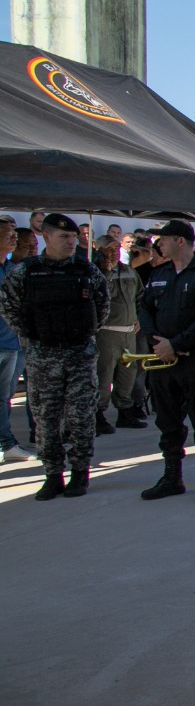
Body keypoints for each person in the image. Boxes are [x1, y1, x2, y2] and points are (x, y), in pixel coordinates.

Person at [0, 213, 110, 498]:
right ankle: (52, 474)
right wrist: (35, 334)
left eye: (73, 237)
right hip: (43, 355)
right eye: (64, 237)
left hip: (80, 354)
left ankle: (80, 473)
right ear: (46, 237)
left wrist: (80, 332)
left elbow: (102, 306)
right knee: (45, 418)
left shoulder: (86, 270)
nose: (71, 242)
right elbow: (9, 307)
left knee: (81, 416)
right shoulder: (26, 272)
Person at [136, 220, 195, 503]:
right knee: (167, 420)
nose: (158, 244)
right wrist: (157, 343)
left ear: (180, 241)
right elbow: (145, 309)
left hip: (193, 358)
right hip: (163, 359)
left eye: (163, 239)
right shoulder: (159, 273)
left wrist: (175, 344)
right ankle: (172, 477)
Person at [92, 235, 142, 434]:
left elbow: (140, 295)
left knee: (128, 373)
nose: (113, 253)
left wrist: (138, 317)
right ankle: (98, 413)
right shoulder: (95, 272)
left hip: (129, 332)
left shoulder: (129, 271)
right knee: (104, 374)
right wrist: (107, 271)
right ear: (99, 251)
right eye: (108, 249)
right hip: (107, 332)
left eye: (115, 248)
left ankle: (125, 411)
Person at [0, 217, 28, 462]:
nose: (13, 237)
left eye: (13, 234)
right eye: (7, 233)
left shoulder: (12, 269)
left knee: (4, 397)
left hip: (12, 343)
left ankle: (5, 443)